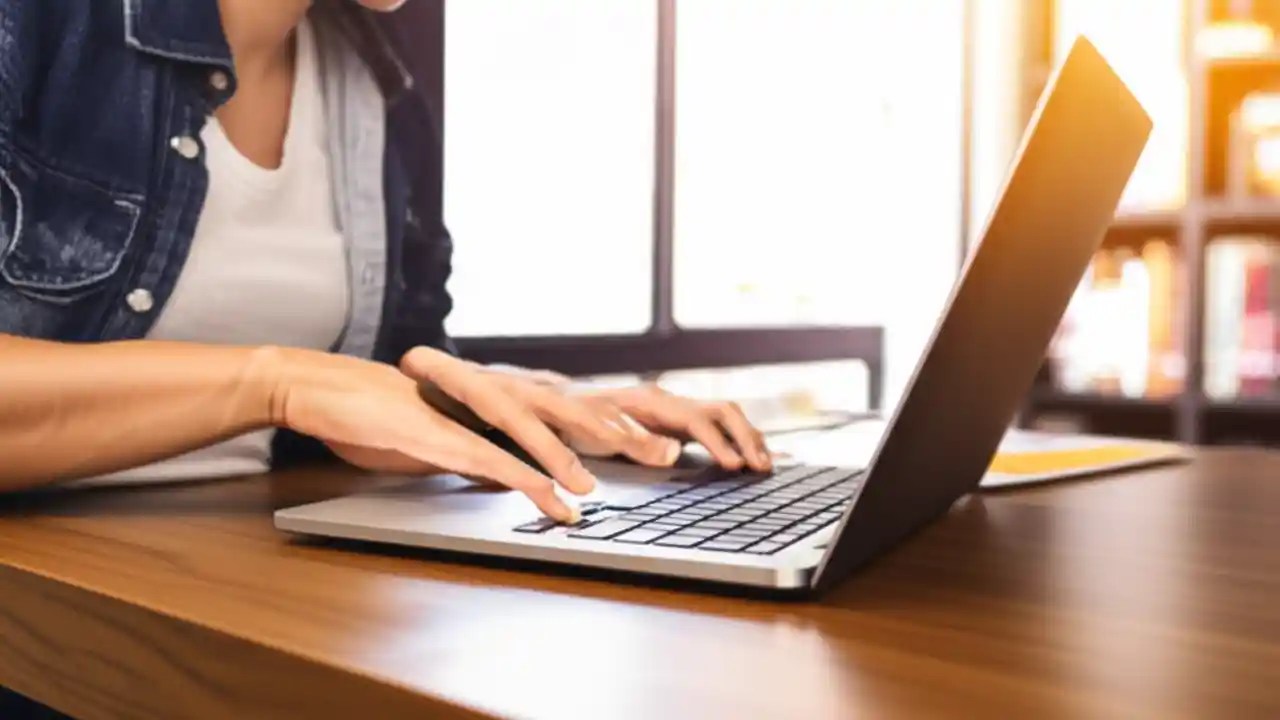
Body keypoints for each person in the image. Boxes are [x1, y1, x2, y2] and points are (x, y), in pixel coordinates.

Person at [0, 0, 772, 523]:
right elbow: (306, 389)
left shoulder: (377, 80)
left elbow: (372, 390)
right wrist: (279, 383)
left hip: (251, 574)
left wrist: (544, 408)